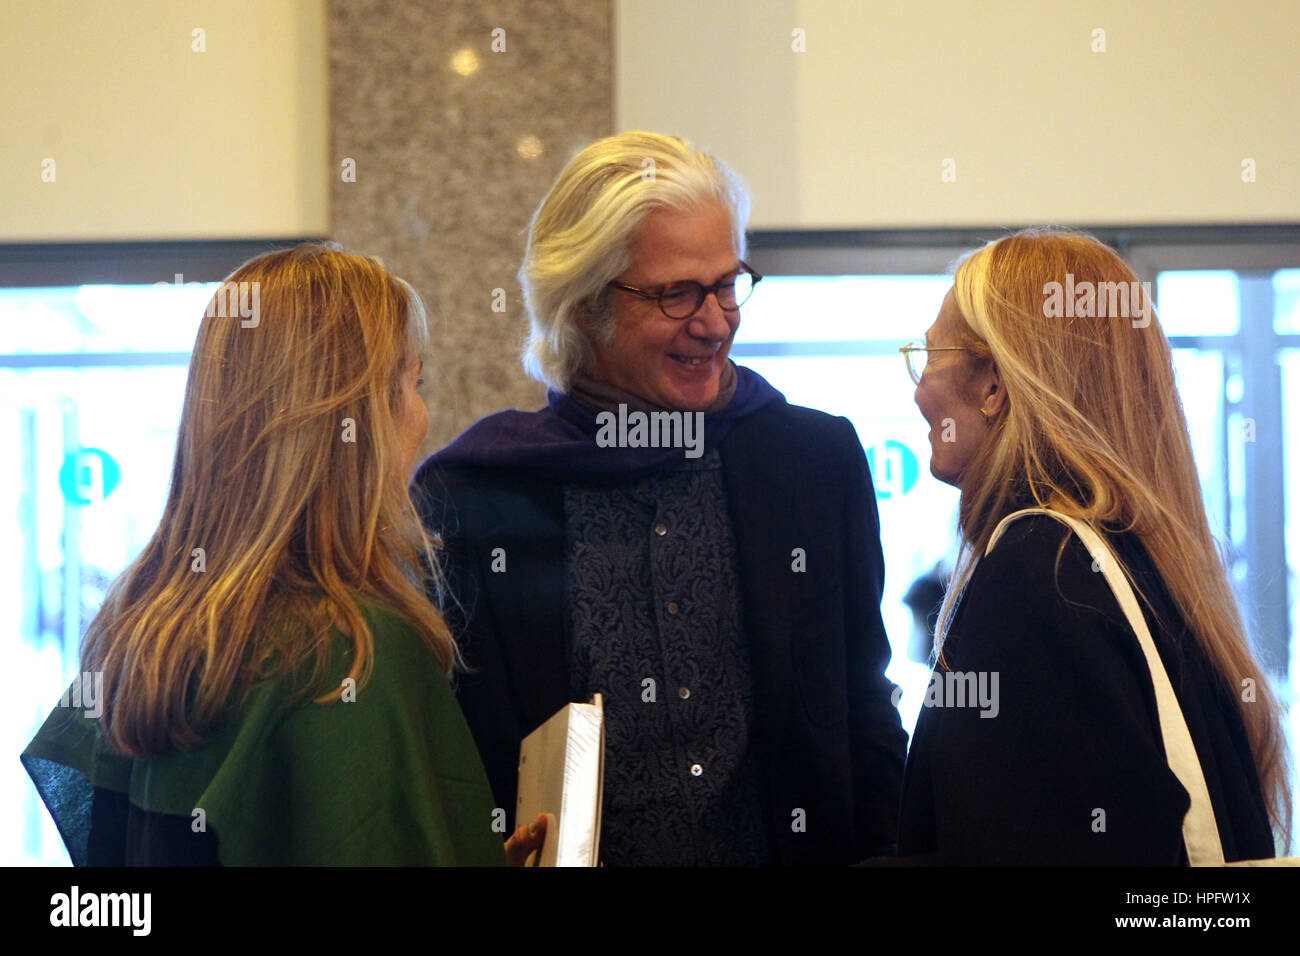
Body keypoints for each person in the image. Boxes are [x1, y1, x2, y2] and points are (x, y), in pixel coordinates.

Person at [412, 131, 907, 866]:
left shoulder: (811, 463)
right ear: (583, 304)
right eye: (677, 293)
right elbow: (459, 766)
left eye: (728, 283)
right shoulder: (475, 495)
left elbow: (865, 714)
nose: (714, 322)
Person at [23, 243, 544, 866]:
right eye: (412, 383)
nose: (422, 418)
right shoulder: (349, 651)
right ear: (354, 422)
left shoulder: (142, 630)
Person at [896, 227, 1290, 864]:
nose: (918, 391)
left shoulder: (1035, 568)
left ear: (994, 384)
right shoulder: (1135, 558)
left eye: (928, 357)